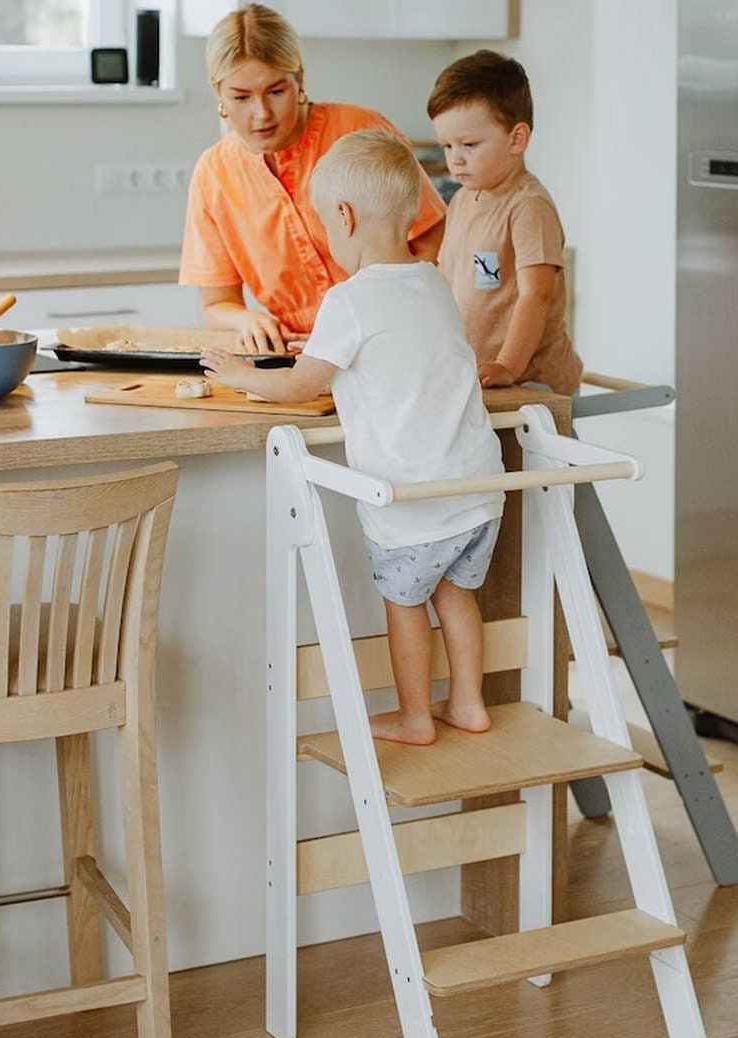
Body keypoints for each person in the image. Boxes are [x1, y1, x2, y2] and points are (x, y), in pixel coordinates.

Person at [201, 129, 505, 746]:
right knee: (457, 597)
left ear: (343, 216)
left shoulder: (349, 300)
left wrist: (236, 374)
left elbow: (302, 386)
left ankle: (416, 717)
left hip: (412, 502)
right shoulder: (433, 282)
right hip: (477, 491)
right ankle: (468, 703)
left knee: (406, 605)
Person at [180, 2, 447, 356]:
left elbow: (433, 246)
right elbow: (217, 305)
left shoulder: (359, 129)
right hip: (297, 357)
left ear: (299, 80)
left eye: (276, 91)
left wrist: (372, 319)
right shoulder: (213, 173)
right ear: (219, 94)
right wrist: (246, 320)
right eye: (241, 97)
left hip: (390, 342)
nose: (261, 114)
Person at [427, 49, 583, 396]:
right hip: (483, 378)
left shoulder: (528, 206)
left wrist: (508, 366)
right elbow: (446, 282)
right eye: (447, 146)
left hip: (532, 383)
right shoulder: (462, 200)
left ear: (516, 139)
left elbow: (536, 296)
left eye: (469, 144)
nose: (455, 160)